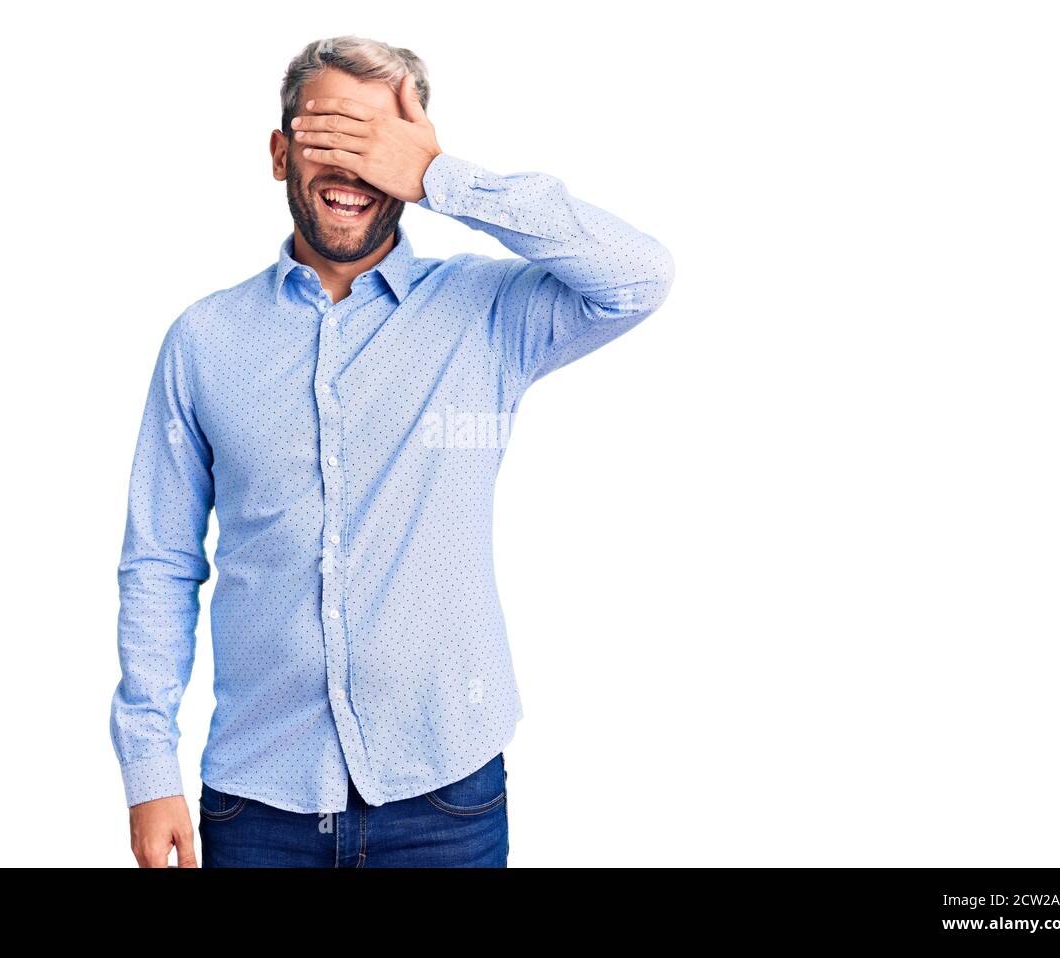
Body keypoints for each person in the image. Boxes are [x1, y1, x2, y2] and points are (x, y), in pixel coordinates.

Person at [110, 35, 675, 868]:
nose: (351, 166)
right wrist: (147, 767)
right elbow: (159, 561)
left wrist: (443, 177)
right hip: (258, 803)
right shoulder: (204, 341)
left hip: (446, 801)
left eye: (374, 141)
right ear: (278, 155)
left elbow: (640, 275)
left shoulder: (488, 315)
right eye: (326, 137)